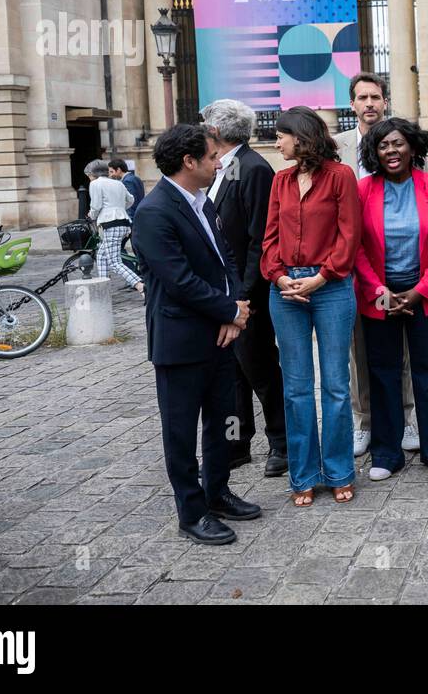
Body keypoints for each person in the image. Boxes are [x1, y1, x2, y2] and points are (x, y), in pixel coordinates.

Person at [131, 124, 259, 545]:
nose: (218, 162)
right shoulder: (154, 212)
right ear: (189, 162)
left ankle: (217, 491)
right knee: (182, 430)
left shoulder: (203, 201)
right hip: (181, 341)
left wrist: (233, 311)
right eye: (210, 157)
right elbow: (179, 280)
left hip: (221, 335)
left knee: (224, 421)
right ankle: (191, 511)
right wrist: (228, 310)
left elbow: (226, 259)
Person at [261, 106, 360, 506]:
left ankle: (338, 471)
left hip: (331, 286)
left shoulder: (341, 177)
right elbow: (268, 238)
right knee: (296, 387)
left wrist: (321, 277)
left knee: (336, 384)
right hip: (285, 292)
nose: (277, 142)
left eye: (282, 135)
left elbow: (350, 236)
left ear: (300, 137)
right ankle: (303, 474)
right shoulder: (280, 180)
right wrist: (280, 276)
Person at [353, 117, 428, 481]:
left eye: (397, 143)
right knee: (383, 373)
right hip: (378, 297)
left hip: (424, 296)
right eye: (383, 145)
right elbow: (356, 249)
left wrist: (419, 291)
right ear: (374, 152)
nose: (391, 151)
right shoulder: (363, 190)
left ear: (412, 147)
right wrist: (378, 290)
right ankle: (386, 452)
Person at [201, 99, 287, 480]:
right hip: (226, 292)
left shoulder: (253, 168)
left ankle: (282, 444)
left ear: (215, 131)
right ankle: (237, 444)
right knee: (233, 372)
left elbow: (260, 239)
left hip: (249, 294)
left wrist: (245, 295)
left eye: (205, 125)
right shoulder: (223, 166)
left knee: (261, 371)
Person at [333, 72, 416, 458]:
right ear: (352, 104)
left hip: (398, 261)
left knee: (404, 349)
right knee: (359, 349)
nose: (369, 103)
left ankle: (408, 416)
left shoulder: (402, 139)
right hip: (354, 264)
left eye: (376, 96)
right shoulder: (337, 147)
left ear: (385, 101)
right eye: (362, 97)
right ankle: (364, 420)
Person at [85, 159, 143, 295]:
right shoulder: (118, 183)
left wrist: (92, 215)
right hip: (123, 222)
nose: (88, 178)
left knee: (115, 262)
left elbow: (96, 206)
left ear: (92, 173)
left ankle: (140, 285)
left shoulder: (95, 184)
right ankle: (103, 291)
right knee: (101, 255)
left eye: (88, 175)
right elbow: (131, 200)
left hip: (111, 223)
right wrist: (119, 209)